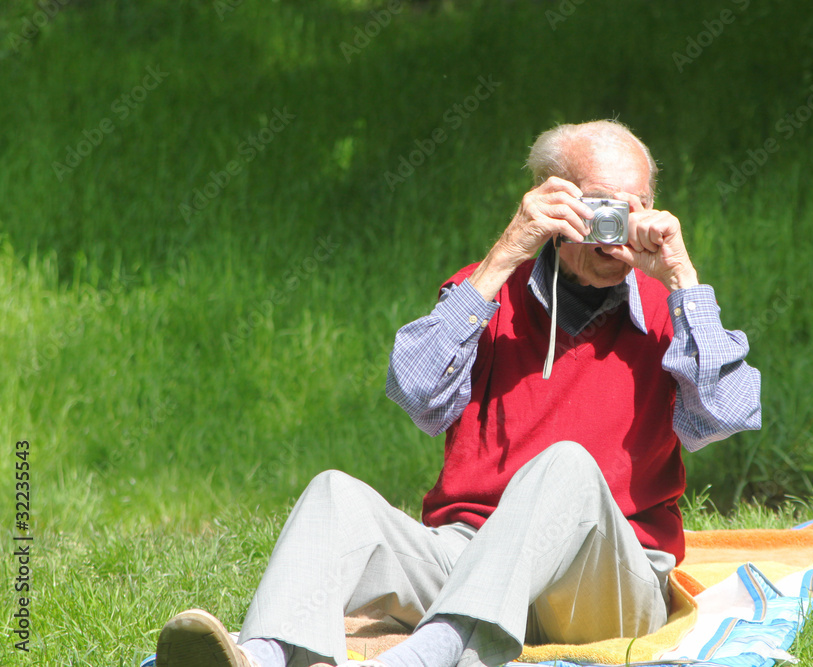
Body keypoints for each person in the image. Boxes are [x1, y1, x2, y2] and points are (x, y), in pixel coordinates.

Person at [155, 120, 761, 667]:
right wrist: (507, 252)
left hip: (602, 583)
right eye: (603, 206)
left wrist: (682, 278)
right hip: (470, 555)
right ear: (554, 200)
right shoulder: (484, 294)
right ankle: (260, 655)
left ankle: (429, 658)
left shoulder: (671, 311)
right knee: (333, 495)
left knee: (568, 466)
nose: (618, 228)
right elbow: (415, 393)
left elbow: (727, 415)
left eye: (638, 206)